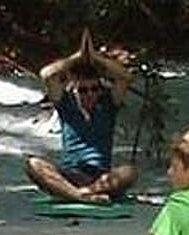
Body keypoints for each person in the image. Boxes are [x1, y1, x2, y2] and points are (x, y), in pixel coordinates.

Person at [24, 29, 137, 204]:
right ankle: (79, 196)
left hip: (101, 178)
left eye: (95, 89)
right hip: (69, 174)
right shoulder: (66, 104)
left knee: (129, 172)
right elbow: (47, 74)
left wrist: (95, 57)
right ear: (73, 89)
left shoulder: (108, 104)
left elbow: (125, 77)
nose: (90, 94)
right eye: (83, 90)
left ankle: (84, 193)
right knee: (33, 164)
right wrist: (76, 57)